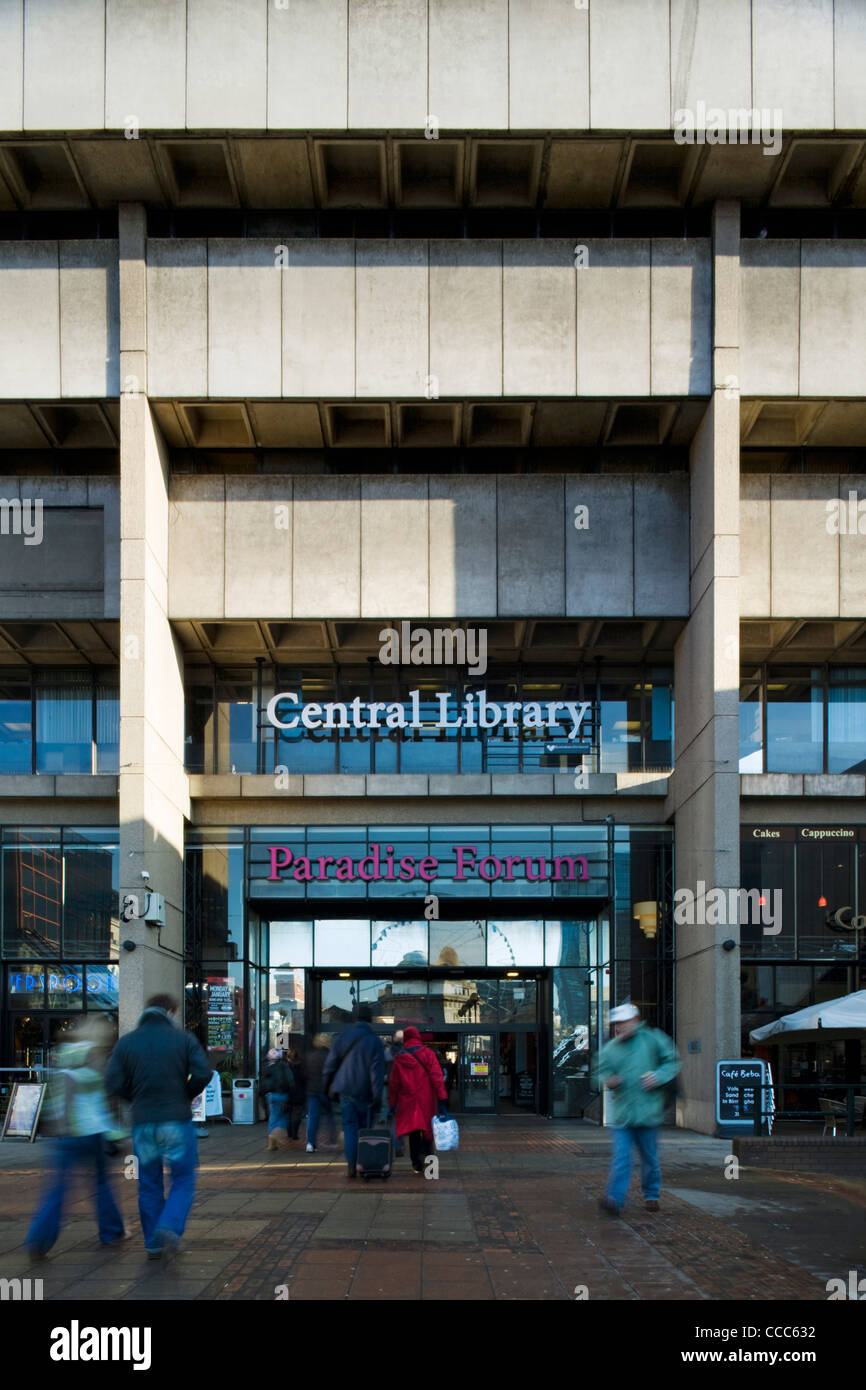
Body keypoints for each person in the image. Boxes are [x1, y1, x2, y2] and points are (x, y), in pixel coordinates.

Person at [105, 992, 211, 1259]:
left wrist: (136, 1100)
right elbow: (203, 1073)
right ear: (171, 1013)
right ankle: (170, 1225)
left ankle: (153, 1243)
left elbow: (113, 1082)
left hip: (142, 1122)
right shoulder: (183, 1039)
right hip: (176, 1119)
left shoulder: (127, 1042)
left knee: (148, 1182)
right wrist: (184, 1095)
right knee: (183, 1177)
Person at [26, 1022, 126, 1259]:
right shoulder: (98, 1059)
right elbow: (105, 1101)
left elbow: (62, 1096)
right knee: (101, 1184)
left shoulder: (64, 1056)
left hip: (66, 1134)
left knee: (57, 1188)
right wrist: (116, 1133)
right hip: (93, 1132)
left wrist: (59, 1125)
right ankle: (111, 1232)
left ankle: (39, 1238)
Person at [594, 1002, 681, 1217]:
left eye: (624, 1022)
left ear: (635, 1020)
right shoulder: (611, 1048)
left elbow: (672, 1060)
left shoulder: (652, 1039)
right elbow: (600, 1071)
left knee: (649, 1158)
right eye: (618, 1024)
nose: (620, 1027)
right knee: (622, 1157)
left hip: (648, 1113)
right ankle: (614, 1199)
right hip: (624, 1115)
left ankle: (651, 1194)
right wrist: (608, 1079)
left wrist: (658, 1076)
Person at [322, 1005, 385, 1179]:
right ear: (370, 1019)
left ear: (354, 1018)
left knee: (349, 1128)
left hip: (345, 1090)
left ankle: (351, 1165)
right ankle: (363, 1164)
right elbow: (376, 1072)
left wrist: (327, 1085)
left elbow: (330, 1064)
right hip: (365, 1093)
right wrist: (377, 1096)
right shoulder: (375, 1041)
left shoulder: (343, 1037)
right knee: (365, 1130)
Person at [388, 1024, 449, 1174]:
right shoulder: (428, 1054)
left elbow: (394, 1083)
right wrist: (442, 1096)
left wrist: (392, 1101)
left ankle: (416, 1164)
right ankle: (429, 1162)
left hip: (408, 1100)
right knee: (428, 1131)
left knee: (413, 1132)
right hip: (426, 1099)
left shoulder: (400, 1057)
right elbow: (437, 1077)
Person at [304, 1034, 337, 1153]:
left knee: (313, 1117)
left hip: (312, 1090)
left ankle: (310, 1143)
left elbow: (305, 1074)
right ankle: (332, 1140)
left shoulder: (309, 1056)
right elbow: (333, 1073)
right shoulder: (330, 1056)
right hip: (325, 1090)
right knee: (329, 1116)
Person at [261, 1047, 295, 1151]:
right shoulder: (284, 1066)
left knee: (273, 1116)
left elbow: (263, 1082)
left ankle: (272, 1142)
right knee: (283, 1116)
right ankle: (278, 1134)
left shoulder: (266, 1067)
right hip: (283, 1094)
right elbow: (291, 1080)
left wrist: (264, 1093)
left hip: (271, 1095)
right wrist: (292, 1092)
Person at [284, 1048, 306, 1142]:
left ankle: (289, 1132)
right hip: (299, 1093)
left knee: (288, 1113)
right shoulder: (301, 1067)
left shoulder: (285, 1067)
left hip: (288, 1093)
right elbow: (305, 1080)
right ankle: (294, 1134)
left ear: (287, 1057)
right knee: (297, 1114)